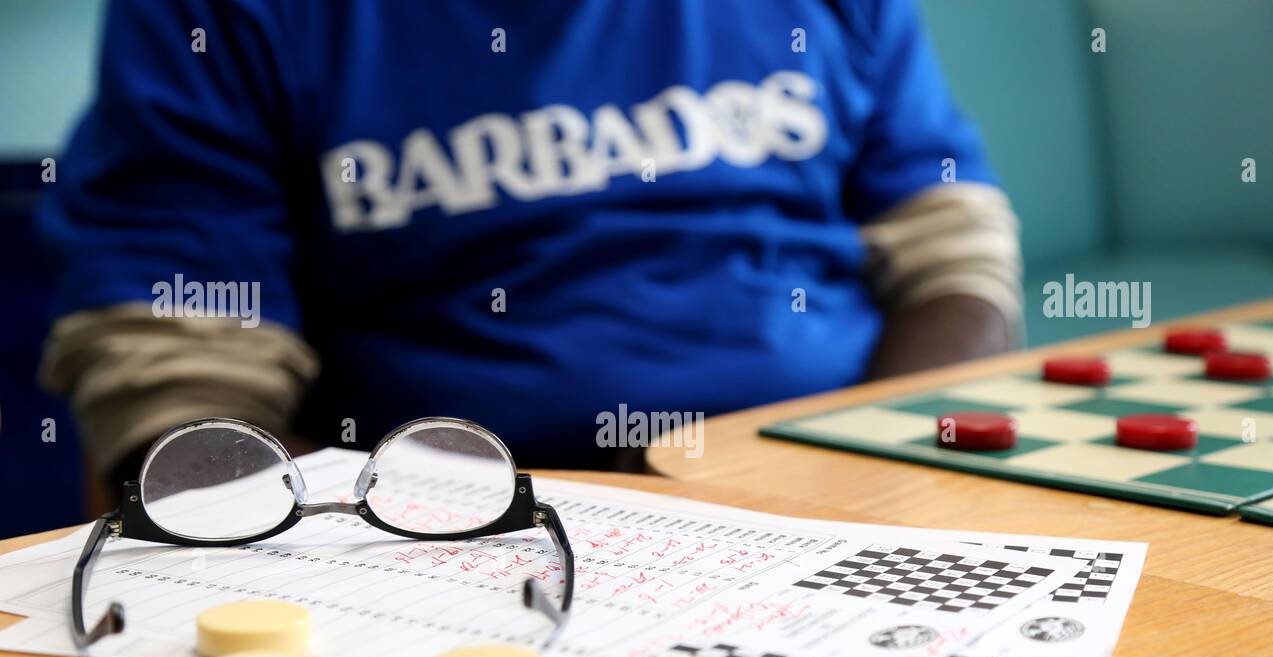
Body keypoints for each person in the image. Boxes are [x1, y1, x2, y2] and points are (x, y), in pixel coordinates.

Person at [39, 0, 1021, 502]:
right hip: (443, 526)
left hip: (833, 481)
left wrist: (864, 473)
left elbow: (955, 258)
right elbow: (171, 389)